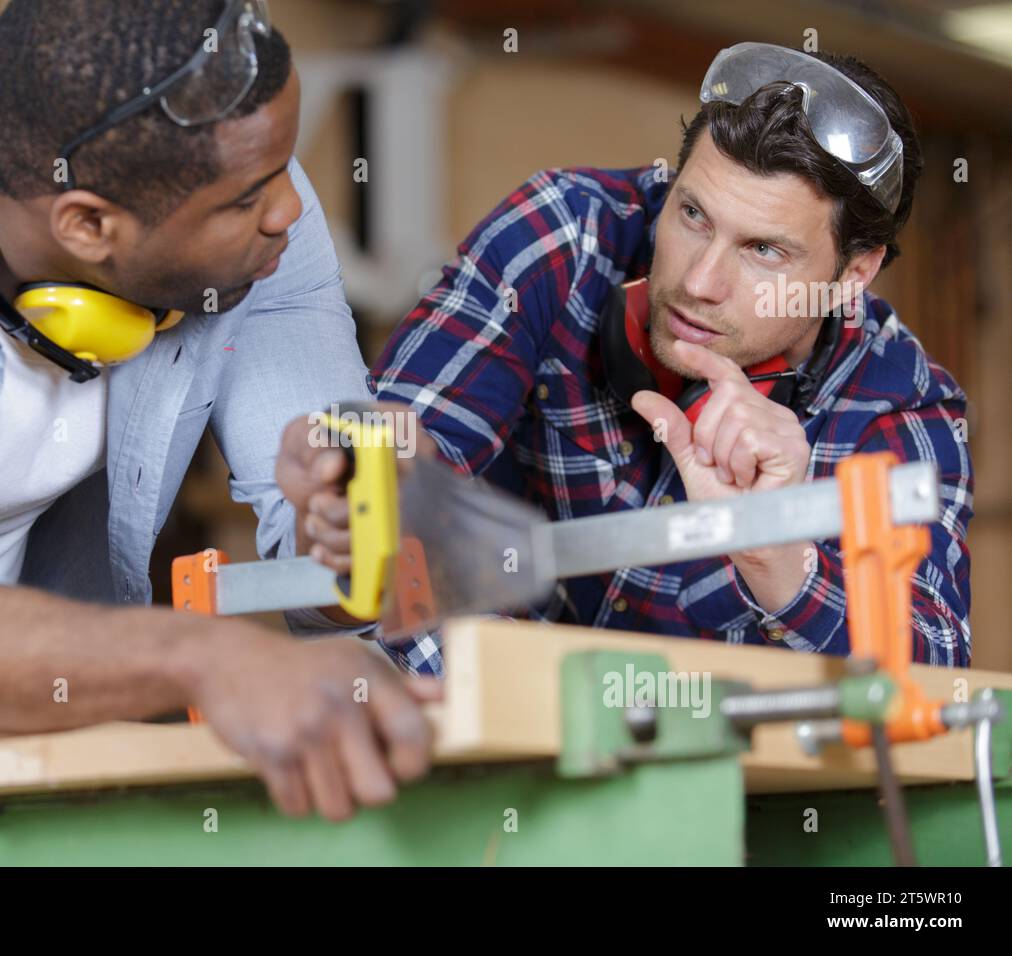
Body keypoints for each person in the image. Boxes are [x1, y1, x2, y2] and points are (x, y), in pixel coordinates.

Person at [0, 0, 438, 822]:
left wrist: (342, 539)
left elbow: (326, 567)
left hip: (35, 717)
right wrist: (207, 659)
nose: (291, 212)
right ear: (88, 224)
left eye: (281, 170)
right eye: (247, 200)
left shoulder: (245, 198)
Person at [289, 43, 972, 674]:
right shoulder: (565, 236)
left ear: (852, 276)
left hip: (722, 786)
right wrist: (367, 475)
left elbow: (934, 670)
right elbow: (403, 453)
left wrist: (778, 555)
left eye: (764, 251)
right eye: (693, 215)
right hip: (489, 748)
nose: (700, 282)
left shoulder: (899, 405)